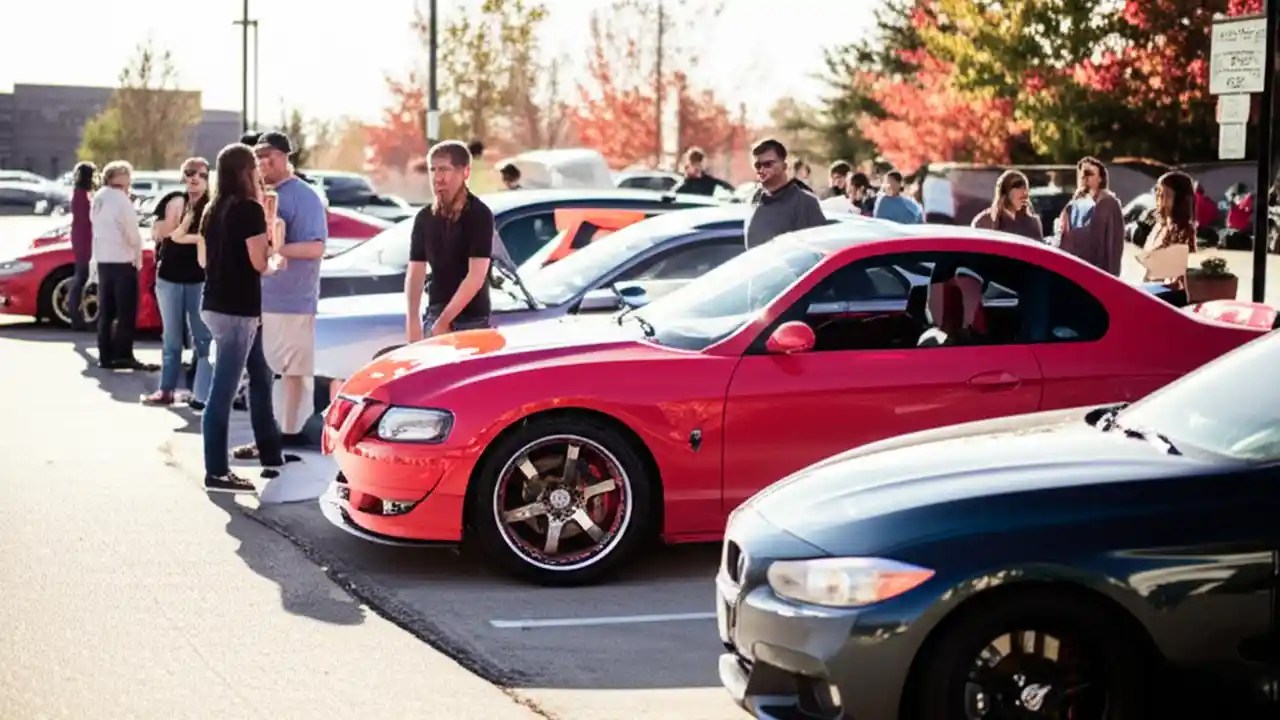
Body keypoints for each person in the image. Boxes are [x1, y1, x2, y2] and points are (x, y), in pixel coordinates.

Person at [197, 142, 298, 493]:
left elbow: (207, 259)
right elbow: (258, 263)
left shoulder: (214, 208)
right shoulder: (249, 210)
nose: (258, 171)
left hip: (214, 302)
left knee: (260, 372)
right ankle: (217, 472)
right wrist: (275, 260)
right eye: (254, 166)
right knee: (222, 392)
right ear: (244, 171)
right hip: (237, 309)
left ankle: (271, 454)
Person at [249, 131, 328, 452]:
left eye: (271, 155)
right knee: (262, 374)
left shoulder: (303, 196)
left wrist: (277, 249)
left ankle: (289, 435)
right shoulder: (259, 196)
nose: (264, 162)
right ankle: (269, 438)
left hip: (291, 301)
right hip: (258, 298)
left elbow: (316, 247)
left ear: (286, 157)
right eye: (259, 156)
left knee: (291, 372)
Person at [405, 141, 494, 343]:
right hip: (435, 311)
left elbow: (476, 275)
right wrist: (412, 321)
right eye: (433, 170)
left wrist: (445, 321)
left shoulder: (479, 215)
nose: (437, 178)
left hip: (471, 320)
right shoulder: (425, 218)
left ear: (465, 172)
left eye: (444, 169)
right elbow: (415, 272)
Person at [142, 157, 213, 408]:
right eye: (190, 173)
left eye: (201, 174)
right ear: (183, 176)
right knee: (171, 339)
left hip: (200, 279)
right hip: (169, 277)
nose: (195, 178)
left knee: (203, 338)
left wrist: (189, 236)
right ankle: (166, 390)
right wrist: (175, 216)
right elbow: (160, 233)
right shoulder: (173, 199)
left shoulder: (212, 205)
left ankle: (201, 394)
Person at [90, 160, 153, 371]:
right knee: (126, 312)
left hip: (103, 259)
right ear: (122, 178)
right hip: (122, 260)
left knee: (106, 312)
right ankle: (123, 354)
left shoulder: (99, 197)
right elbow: (131, 233)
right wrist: (137, 254)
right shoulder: (121, 200)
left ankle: (105, 355)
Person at [744, 138, 826, 248]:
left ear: (784, 166)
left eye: (768, 164)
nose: (762, 170)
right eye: (758, 165)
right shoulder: (754, 199)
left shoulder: (804, 203)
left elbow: (819, 251)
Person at [1057, 156, 1125, 275]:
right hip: (1075, 267)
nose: (1084, 178)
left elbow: (1108, 242)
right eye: (1082, 174)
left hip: (1098, 270)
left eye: (1089, 173)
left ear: (1100, 179)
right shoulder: (1075, 202)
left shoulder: (1108, 203)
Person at [1139, 171, 1198, 304]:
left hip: (1173, 295)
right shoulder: (1159, 225)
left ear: (1178, 198)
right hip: (1156, 288)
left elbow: (1181, 276)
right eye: (1158, 192)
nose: (1159, 197)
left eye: (1165, 193)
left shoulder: (1185, 230)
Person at [971, 170, 1043, 240]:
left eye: (1026, 188)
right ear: (1005, 192)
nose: (1025, 194)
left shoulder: (1032, 223)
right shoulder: (984, 221)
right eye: (1019, 187)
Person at [67, 161, 96, 331]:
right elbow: (86, 220)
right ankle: (76, 317)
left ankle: (77, 315)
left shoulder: (81, 193)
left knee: (81, 277)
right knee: (81, 277)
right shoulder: (82, 195)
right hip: (85, 239)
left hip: (82, 237)